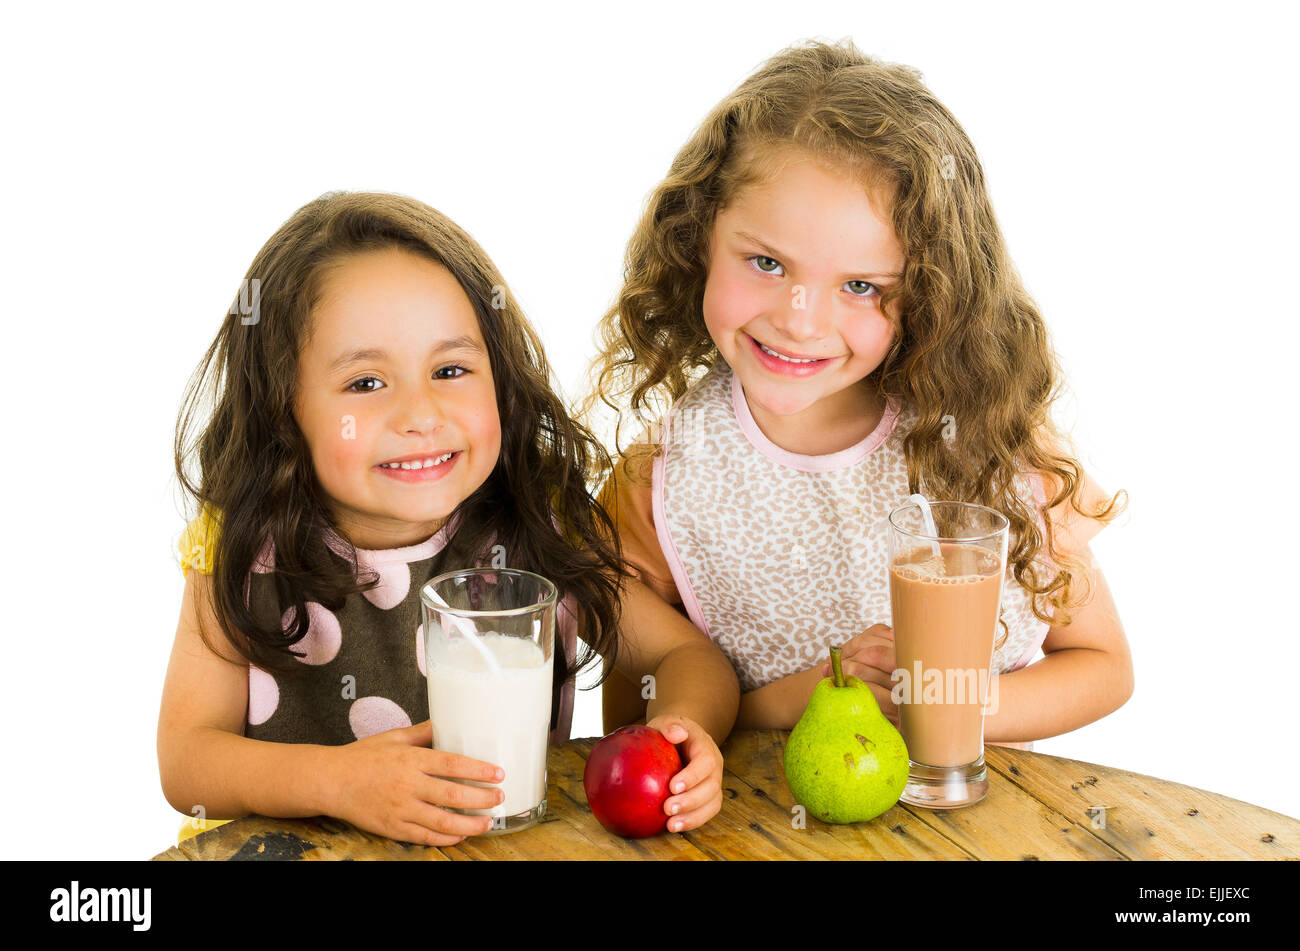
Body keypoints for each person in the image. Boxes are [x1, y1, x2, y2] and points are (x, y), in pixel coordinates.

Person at [580, 39, 1132, 747]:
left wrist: (944, 703)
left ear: (929, 293)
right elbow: (638, 729)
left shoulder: (993, 442)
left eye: (862, 286)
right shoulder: (658, 481)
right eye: (767, 262)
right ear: (698, 239)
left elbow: (1103, 666)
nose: (800, 318)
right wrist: (799, 696)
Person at [158, 191, 737, 848]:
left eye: (451, 369)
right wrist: (340, 781)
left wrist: (681, 736)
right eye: (366, 383)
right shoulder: (247, 547)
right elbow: (187, 762)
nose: (421, 413)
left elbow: (684, 654)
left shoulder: (533, 525)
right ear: (282, 410)